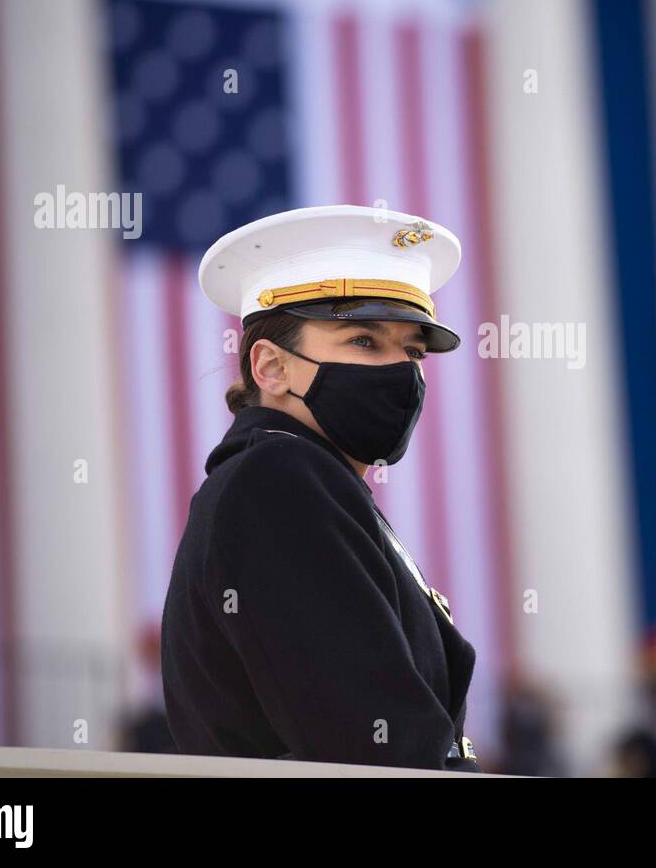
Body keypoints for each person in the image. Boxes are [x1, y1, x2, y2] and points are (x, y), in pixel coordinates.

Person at [160, 204, 480, 772]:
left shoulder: (314, 480)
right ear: (272, 368)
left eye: (412, 351)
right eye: (363, 340)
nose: (401, 371)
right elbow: (375, 745)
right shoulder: (276, 482)